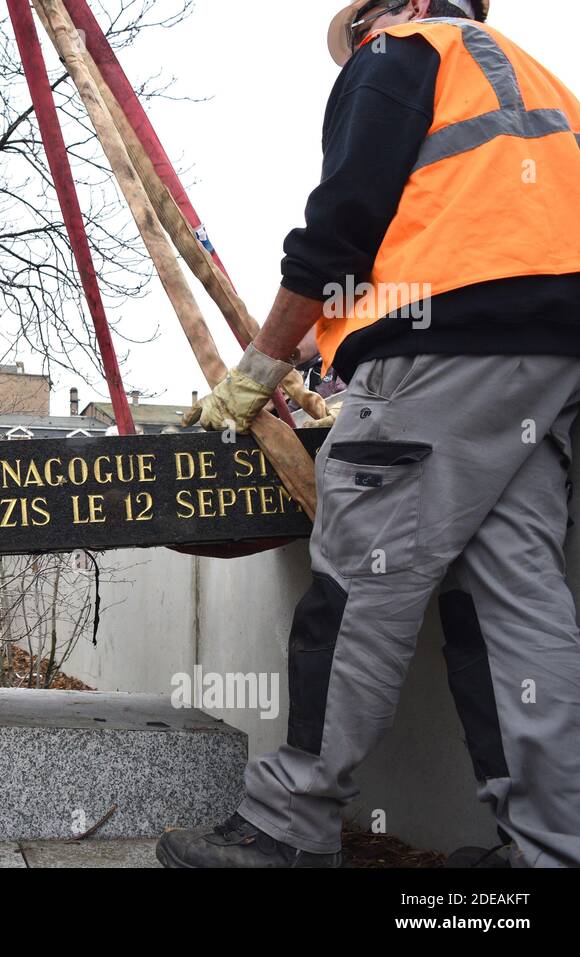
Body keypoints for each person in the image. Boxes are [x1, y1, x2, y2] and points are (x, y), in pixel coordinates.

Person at [166, 0, 580, 868]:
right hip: (550, 362)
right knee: (515, 598)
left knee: (358, 583)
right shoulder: (547, 86)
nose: (353, 49)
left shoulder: (400, 52)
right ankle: (552, 848)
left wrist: (259, 371)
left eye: (357, 29)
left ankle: (286, 825)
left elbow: (340, 227)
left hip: (436, 354)